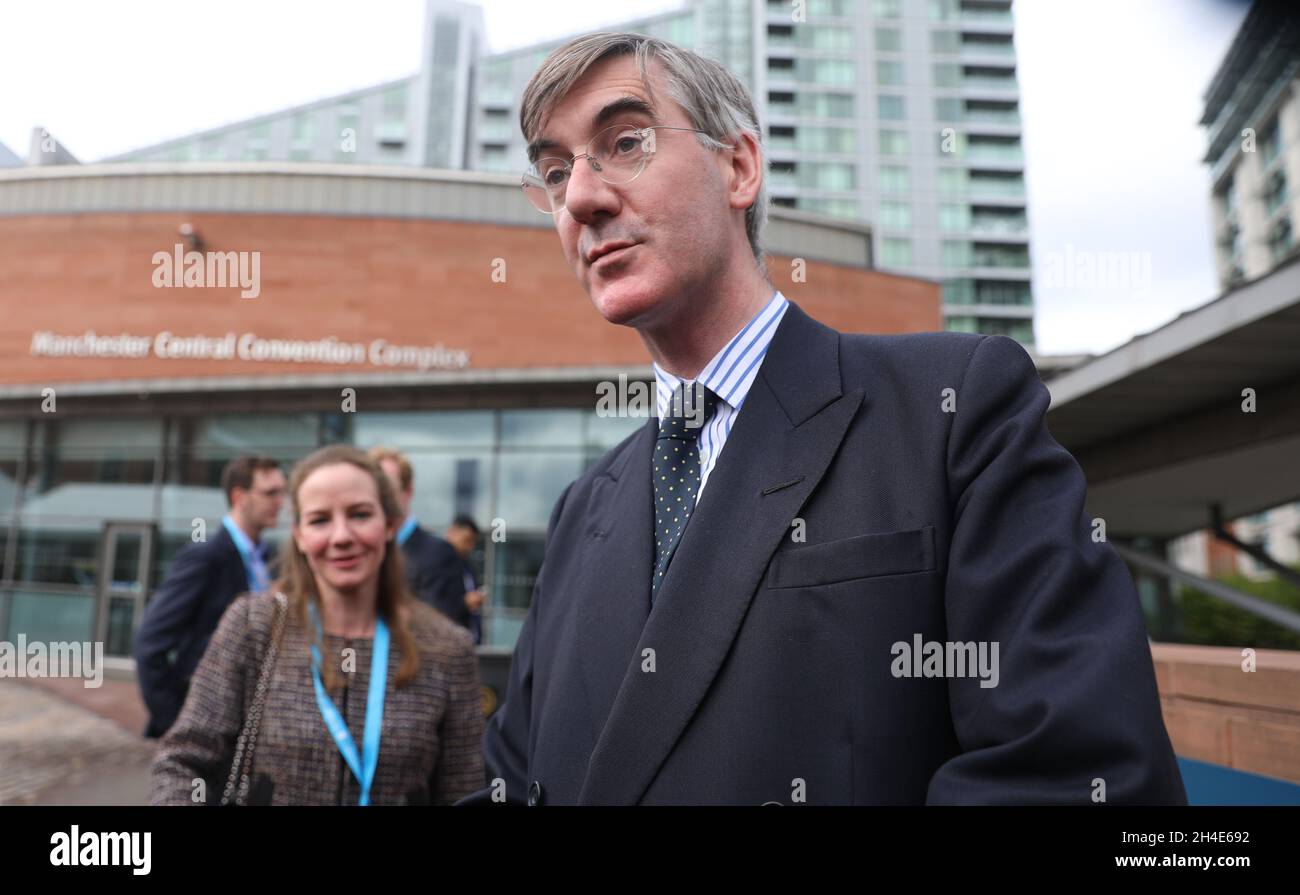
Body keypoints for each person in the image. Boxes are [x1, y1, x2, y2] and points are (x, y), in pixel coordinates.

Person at [467, 32, 1187, 805]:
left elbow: (1075, 771)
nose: (580, 198)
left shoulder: (954, 408)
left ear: (739, 166)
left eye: (626, 142)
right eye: (554, 171)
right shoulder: (583, 510)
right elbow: (513, 778)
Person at [150, 445, 484, 805]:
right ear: (299, 535)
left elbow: (463, 793)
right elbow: (183, 762)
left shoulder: (447, 650)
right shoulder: (254, 626)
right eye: (320, 519)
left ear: (388, 525)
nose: (341, 536)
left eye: (359, 514)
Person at [134, 455, 285, 738]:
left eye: (282, 492)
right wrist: (177, 724)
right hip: (209, 723)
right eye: (270, 493)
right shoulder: (206, 557)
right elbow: (149, 644)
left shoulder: (270, 559)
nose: (280, 502)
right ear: (240, 497)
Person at [368, 446, 482, 637]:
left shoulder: (438, 554)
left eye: (386, 486)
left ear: (408, 491)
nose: (377, 496)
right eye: (371, 487)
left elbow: (438, 632)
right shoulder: (364, 552)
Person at [443, 515, 485, 645]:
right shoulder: (438, 564)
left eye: (473, 542)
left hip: (468, 640)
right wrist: (464, 603)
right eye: (467, 540)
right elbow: (433, 602)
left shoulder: (467, 566)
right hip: (447, 642)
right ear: (452, 531)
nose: (470, 547)